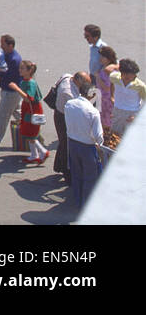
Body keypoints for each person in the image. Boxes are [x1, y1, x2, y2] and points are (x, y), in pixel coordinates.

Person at [63, 73, 104, 210]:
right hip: (87, 147)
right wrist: (100, 145)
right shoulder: (93, 112)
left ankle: (78, 199)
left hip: (73, 144)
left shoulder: (69, 104)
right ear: (91, 95)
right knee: (90, 177)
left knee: (77, 174)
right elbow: (99, 135)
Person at [17, 61, 49, 165]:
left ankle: (43, 152)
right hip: (29, 109)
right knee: (28, 133)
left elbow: (29, 98)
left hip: (32, 110)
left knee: (31, 134)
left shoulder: (30, 83)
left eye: (22, 68)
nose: (20, 70)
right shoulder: (26, 81)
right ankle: (34, 155)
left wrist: (16, 88)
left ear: (29, 71)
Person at [50, 69, 78, 182]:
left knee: (63, 141)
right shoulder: (68, 93)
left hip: (59, 113)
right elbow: (77, 109)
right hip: (63, 117)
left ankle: (58, 166)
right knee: (66, 144)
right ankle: (67, 174)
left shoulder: (67, 77)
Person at [107, 58, 143, 137]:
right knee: (113, 135)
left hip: (131, 113)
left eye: (134, 77)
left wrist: (137, 116)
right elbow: (111, 84)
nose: (131, 79)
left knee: (129, 137)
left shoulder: (141, 86)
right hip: (117, 110)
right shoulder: (114, 77)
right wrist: (112, 96)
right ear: (122, 73)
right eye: (128, 77)